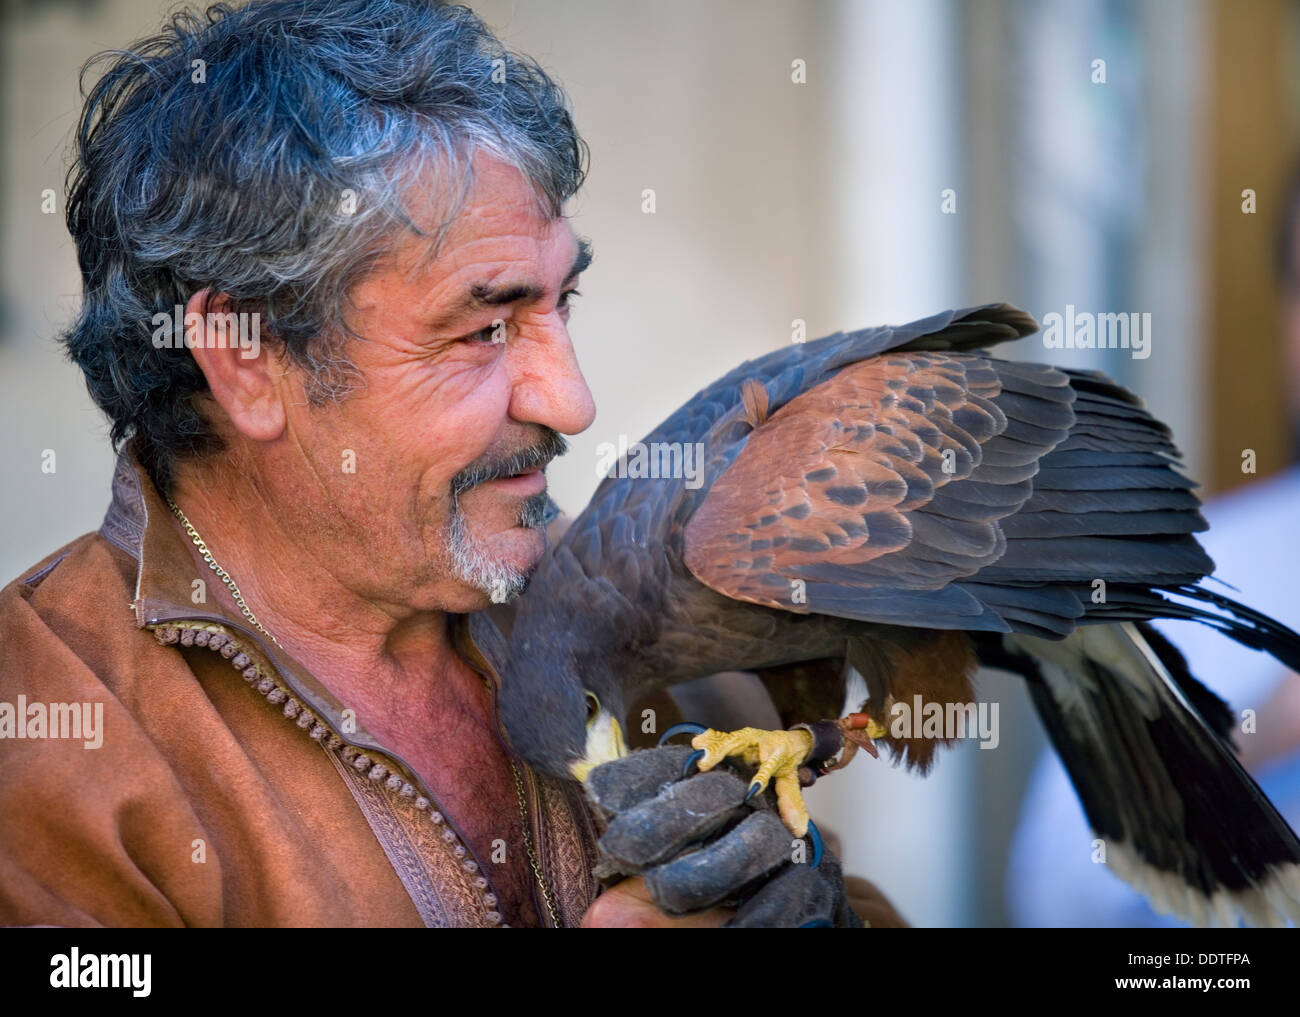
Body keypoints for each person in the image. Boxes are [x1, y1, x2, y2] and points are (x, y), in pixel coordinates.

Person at [0, 0, 864, 928]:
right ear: (247, 357)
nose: (570, 400)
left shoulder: (648, 620)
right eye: (483, 327)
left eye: (560, 302)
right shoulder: (46, 740)